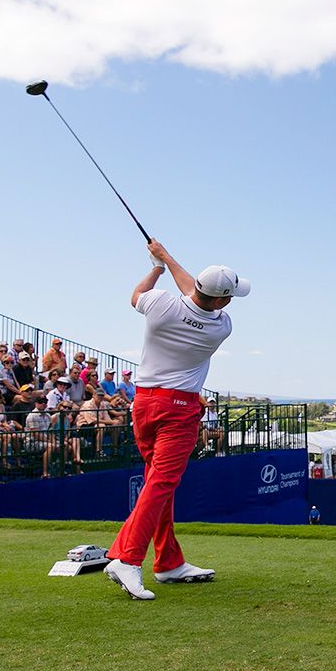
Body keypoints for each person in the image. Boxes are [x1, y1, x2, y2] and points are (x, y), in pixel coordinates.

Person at [105, 239, 249, 601]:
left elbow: (139, 294)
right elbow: (197, 295)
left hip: (143, 405)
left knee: (160, 484)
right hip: (178, 411)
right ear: (222, 301)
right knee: (162, 484)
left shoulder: (161, 304)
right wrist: (166, 257)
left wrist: (158, 263)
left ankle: (168, 562)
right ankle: (127, 557)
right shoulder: (221, 327)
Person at [24, 396, 59, 478]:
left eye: (45, 401)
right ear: (36, 403)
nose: (43, 403)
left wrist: (53, 441)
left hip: (45, 440)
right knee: (50, 446)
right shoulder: (32, 416)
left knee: (64, 445)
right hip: (32, 442)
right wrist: (51, 442)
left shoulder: (47, 415)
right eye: (40, 401)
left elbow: (50, 431)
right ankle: (45, 472)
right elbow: (36, 434)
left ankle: (59, 469)